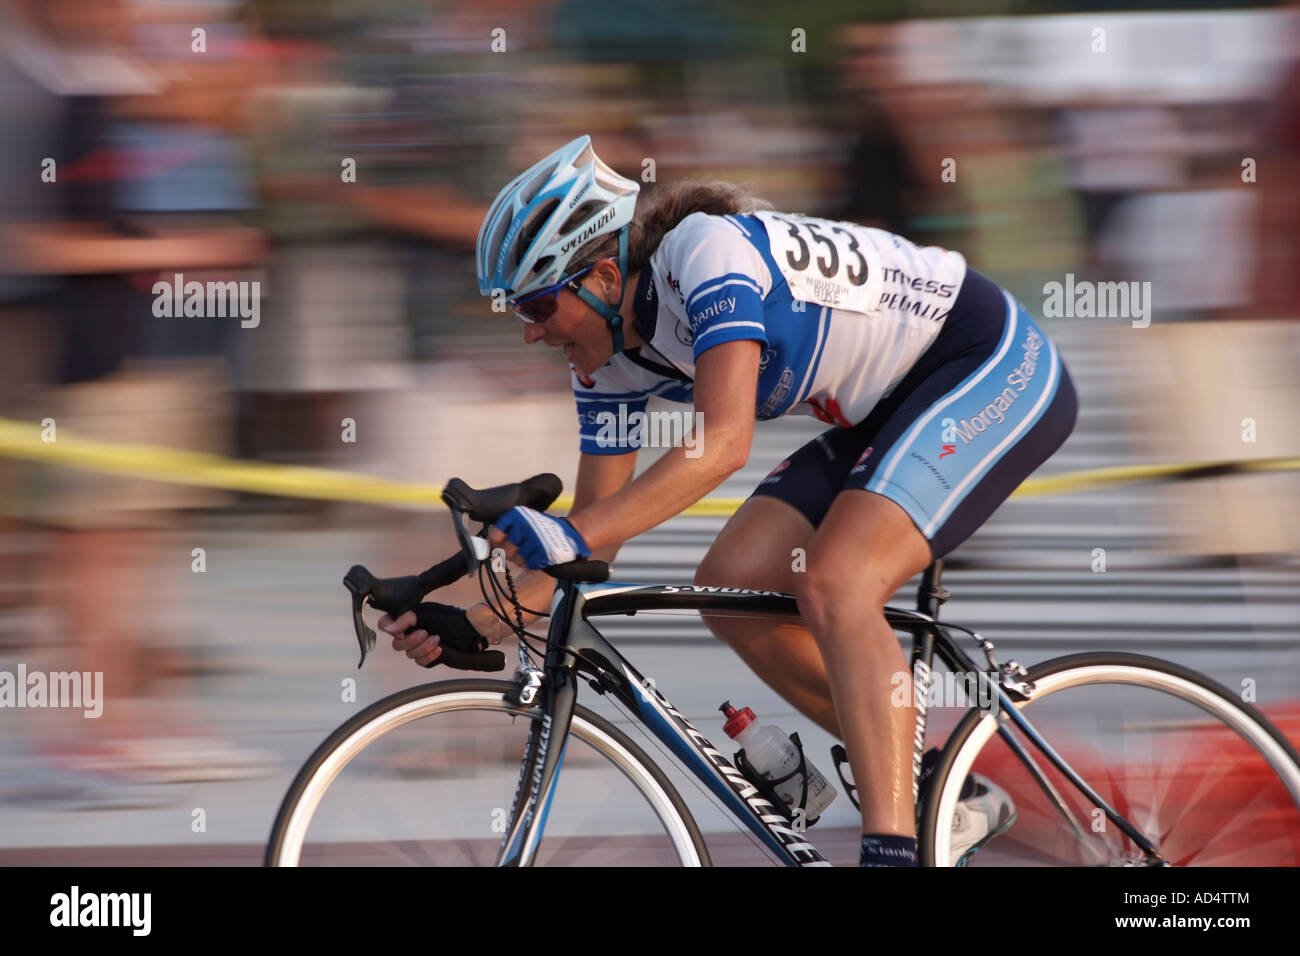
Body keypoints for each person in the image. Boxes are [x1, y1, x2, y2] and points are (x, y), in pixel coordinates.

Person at [380, 135, 1078, 866]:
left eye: (539, 303)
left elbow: (722, 444)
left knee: (837, 580)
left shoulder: (703, 254)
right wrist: (480, 621)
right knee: (733, 588)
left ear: (605, 275)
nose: (529, 332)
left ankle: (893, 847)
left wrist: (571, 534)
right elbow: (596, 547)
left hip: (984, 360)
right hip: (885, 407)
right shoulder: (604, 364)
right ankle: (942, 794)